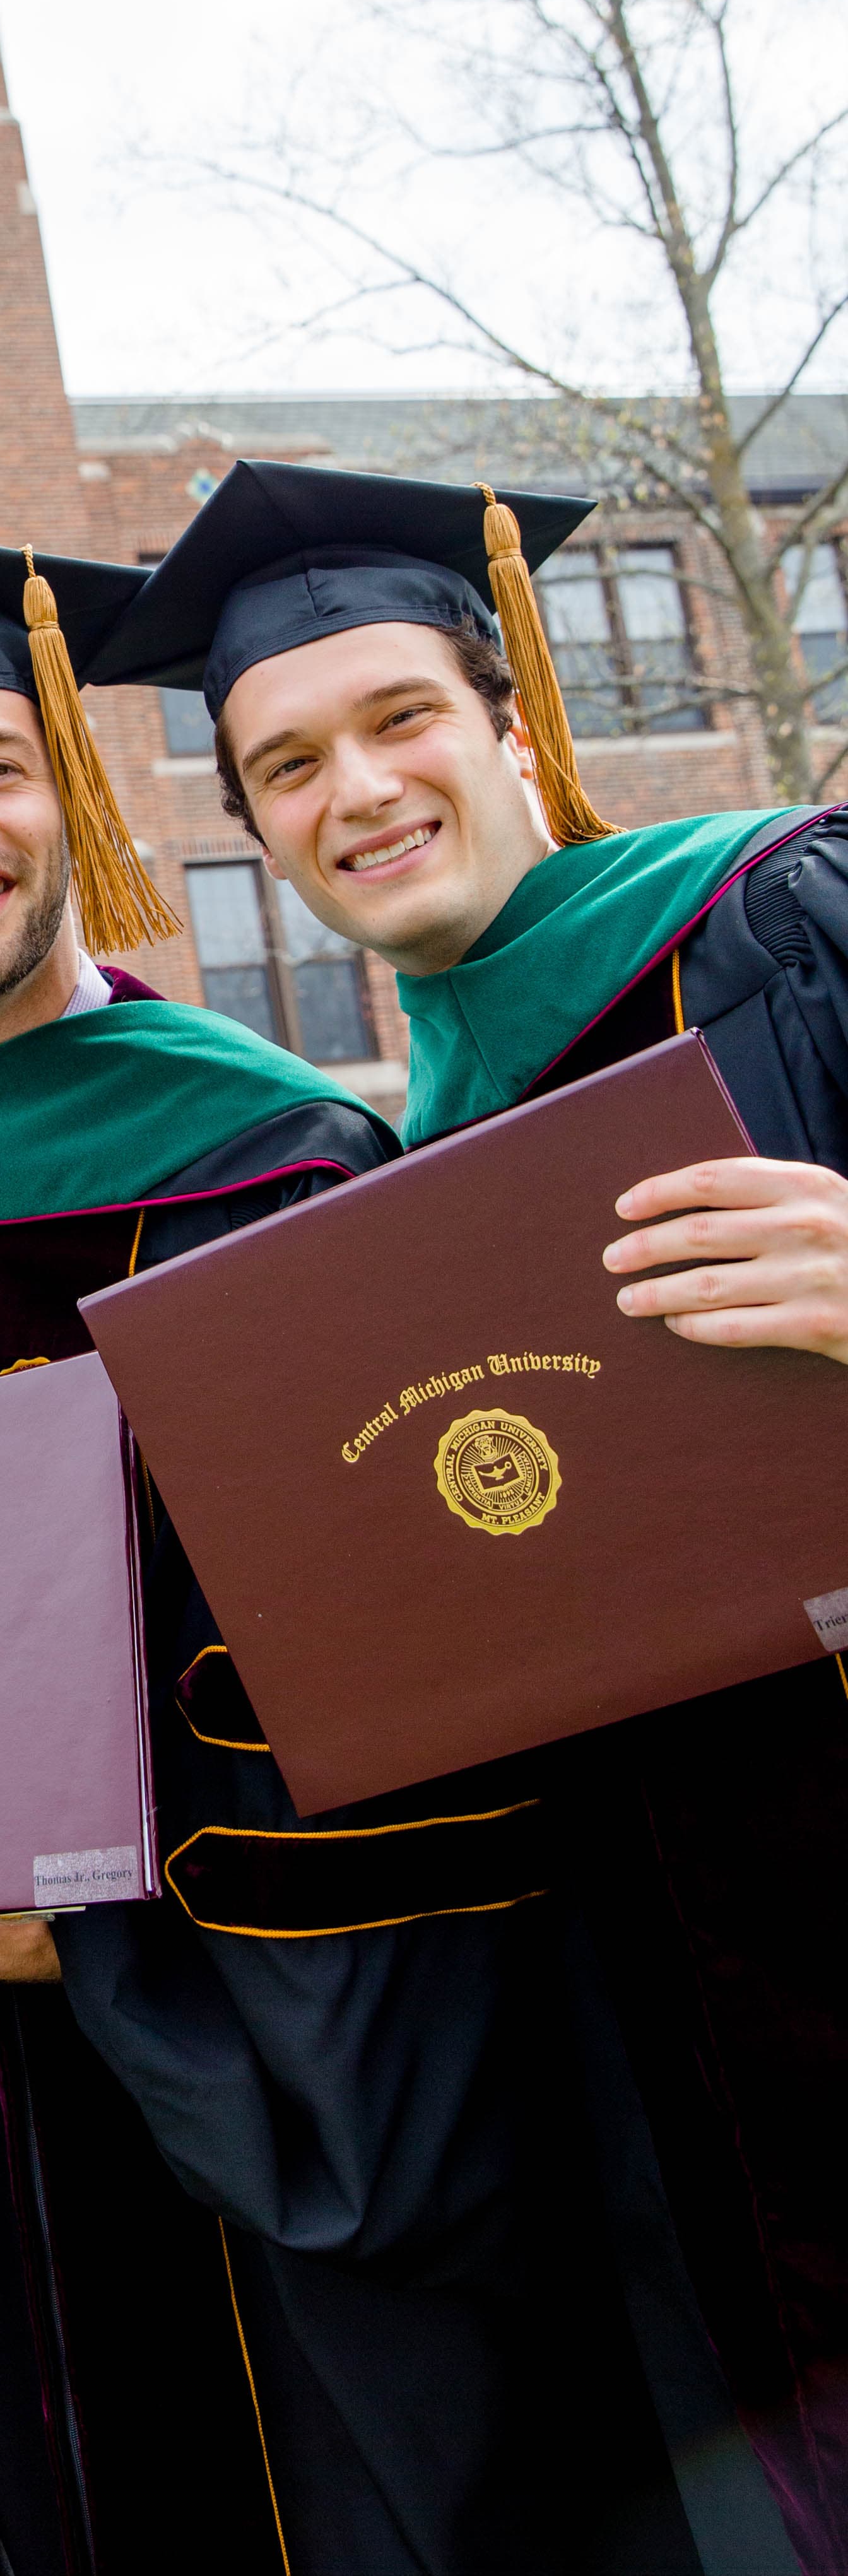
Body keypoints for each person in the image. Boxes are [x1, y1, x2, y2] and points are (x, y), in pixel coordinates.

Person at [0, 516, 702, 2576]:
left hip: (302, 2033)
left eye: (0, 766)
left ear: (86, 802)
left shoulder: (292, 1161)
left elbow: (428, 1686)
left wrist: (106, 1930)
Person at [105, 456, 848, 2574]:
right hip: (669, 2025)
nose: (359, 789)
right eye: (288, 766)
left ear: (514, 714)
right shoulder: (394, 1187)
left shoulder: (785, 920)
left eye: (401, 721)